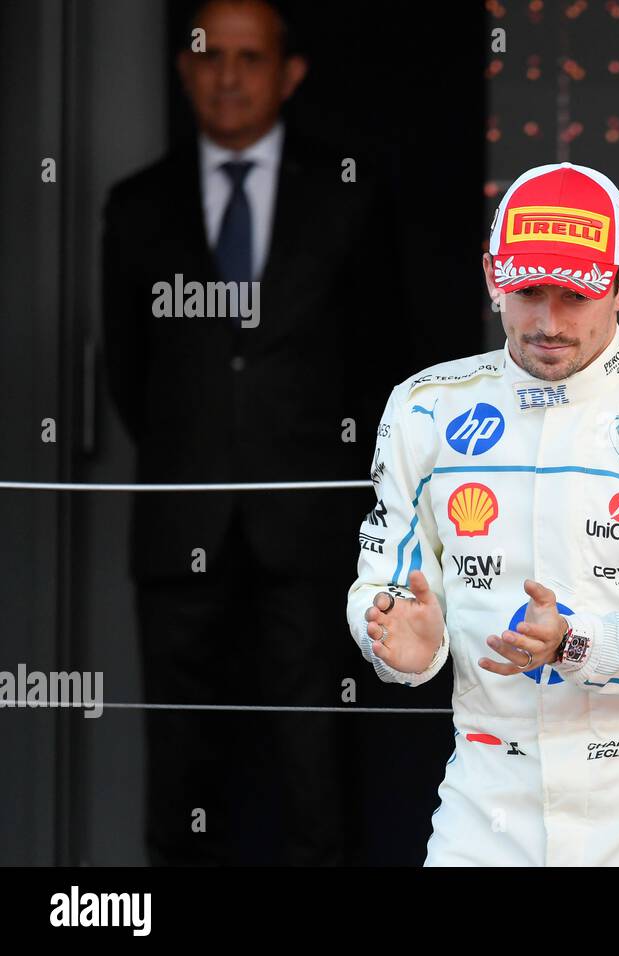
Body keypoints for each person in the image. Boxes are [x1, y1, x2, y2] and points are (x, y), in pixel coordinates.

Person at [345, 162, 619, 866]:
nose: (548, 322)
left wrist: (579, 643)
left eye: (574, 295)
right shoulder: (424, 407)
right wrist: (403, 645)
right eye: (527, 291)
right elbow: (384, 593)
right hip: (484, 799)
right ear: (492, 275)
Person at [102, 0, 404, 864]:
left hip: (307, 530)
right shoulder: (136, 207)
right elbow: (131, 372)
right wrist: (201, 454)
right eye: (209, 55)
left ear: (289, 72)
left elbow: (385, 354)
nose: (228, 75)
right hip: (177, 529)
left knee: (318, 771)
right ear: (185, 69)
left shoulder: (347, 189)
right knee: (181, 772)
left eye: (249, 56)